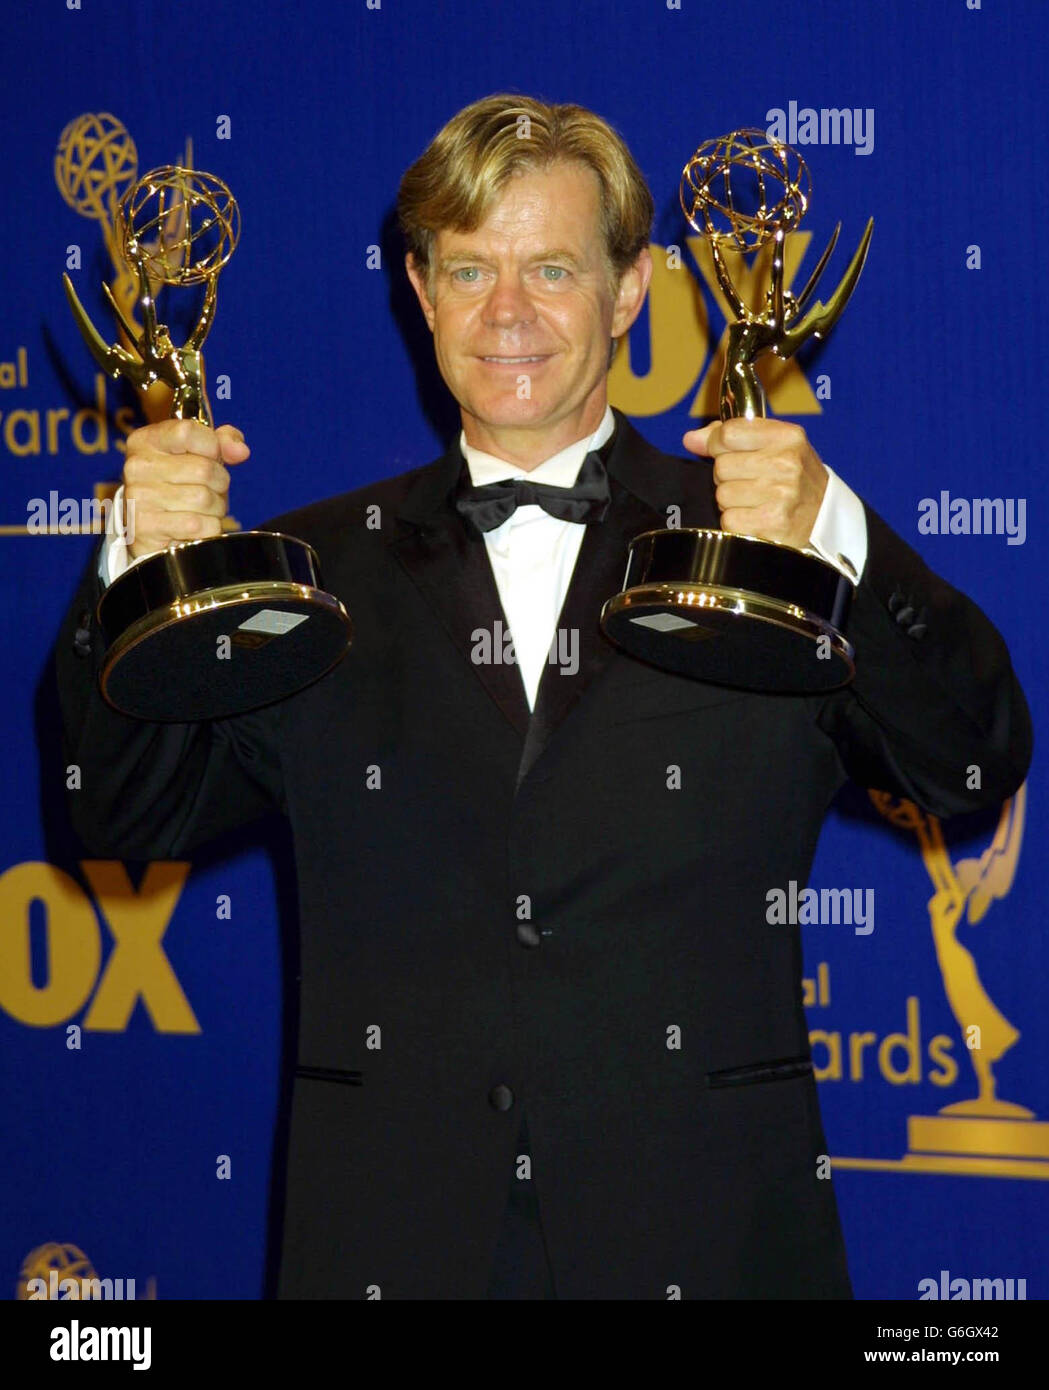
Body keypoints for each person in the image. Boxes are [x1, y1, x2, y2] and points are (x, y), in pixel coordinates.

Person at [56, 94, 1032, 1299]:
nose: (505, 313)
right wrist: (134, 571)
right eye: (468, 269)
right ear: (419, 292)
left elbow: (971, 763)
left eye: (552, 268)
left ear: (631, 292)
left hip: (708, 1237)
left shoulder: (754, 549)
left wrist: (837, 533)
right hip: (389, 1240)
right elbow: (113, 813)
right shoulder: (308, 570)